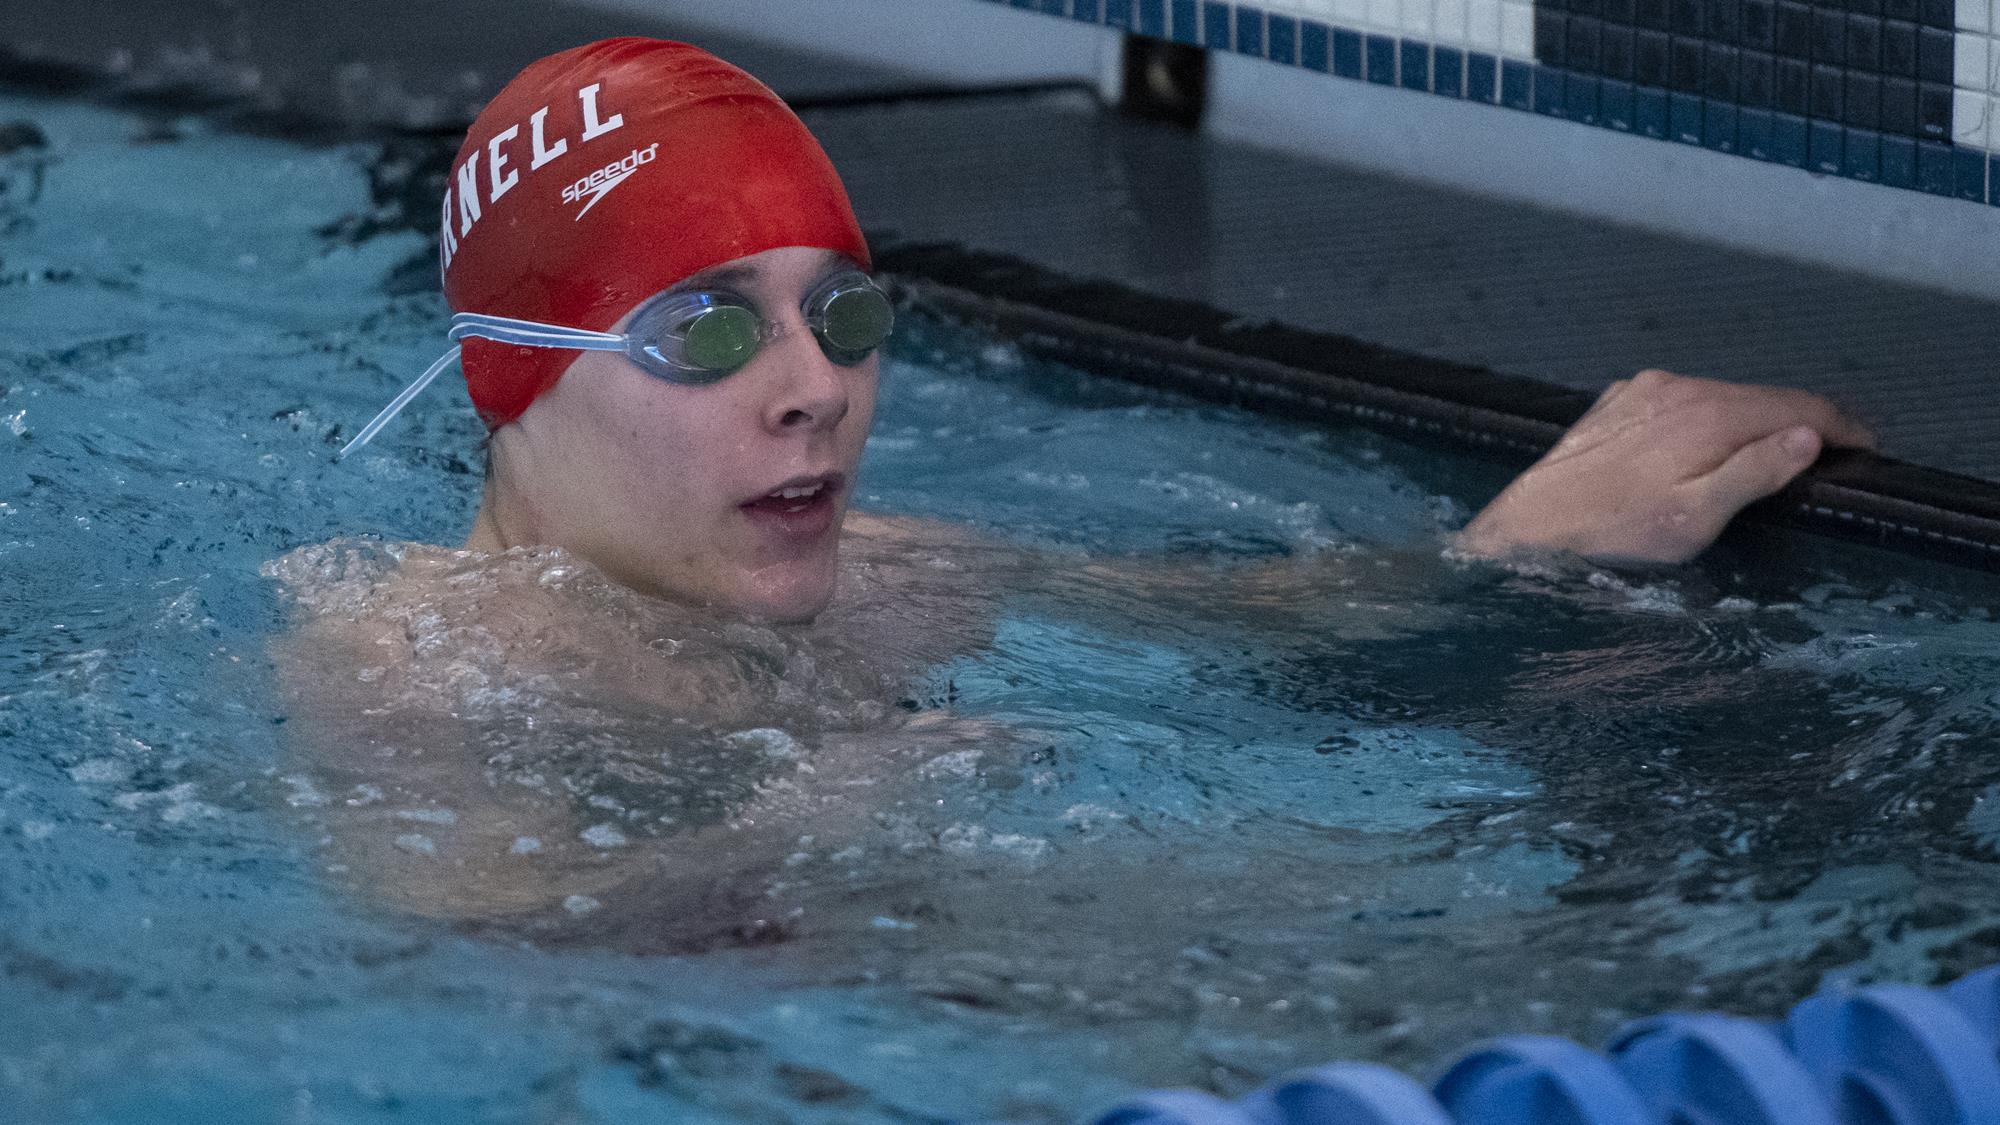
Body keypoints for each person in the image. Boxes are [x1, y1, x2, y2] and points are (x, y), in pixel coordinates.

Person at [266, 37, 1873, 943]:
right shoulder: (406, 661)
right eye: (706, 328)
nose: (816, 384)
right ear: (513, 374)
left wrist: (1517, 544)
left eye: (845, 310)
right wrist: (812, 821)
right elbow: (466, 951)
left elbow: (1266, 622)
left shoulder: (885, 577)